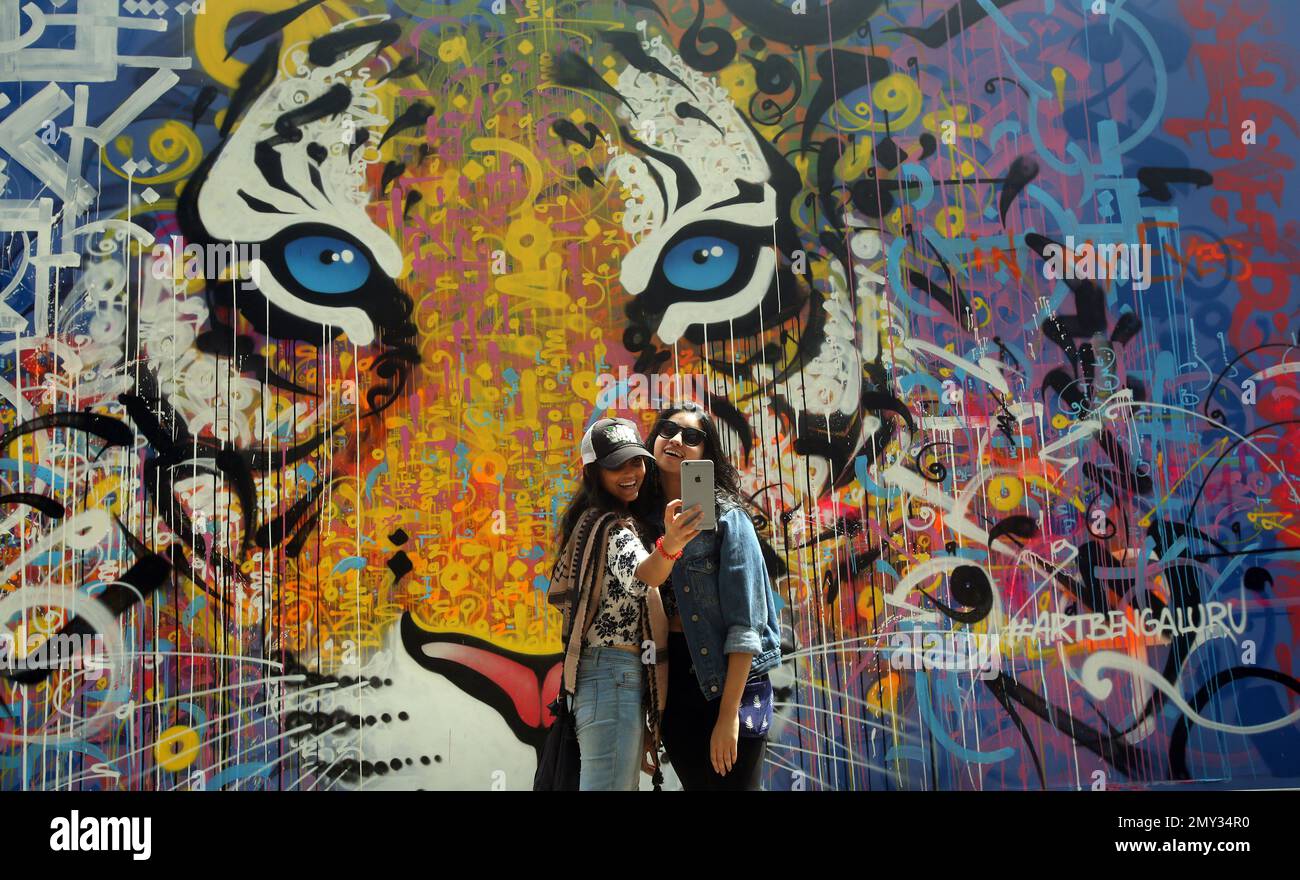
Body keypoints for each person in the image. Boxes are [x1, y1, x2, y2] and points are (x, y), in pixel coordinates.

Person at [551, 417, 701, 790]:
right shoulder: (614, 528)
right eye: (616, 464)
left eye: (635, 461)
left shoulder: (589, 522)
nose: (630, 472)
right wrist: (672, 543)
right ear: (594, 471)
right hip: (613, 676)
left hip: (602, 677)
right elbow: (645, 575)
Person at [641, 402, 783, 790]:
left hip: (732, 684)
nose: (675, 441)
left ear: (706, 453)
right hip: (677, 690)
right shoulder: (641, 521)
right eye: (668, 430)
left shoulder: (727, 518)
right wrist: (650, 714)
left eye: (691, 436)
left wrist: (728, 715)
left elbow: (745, 627)